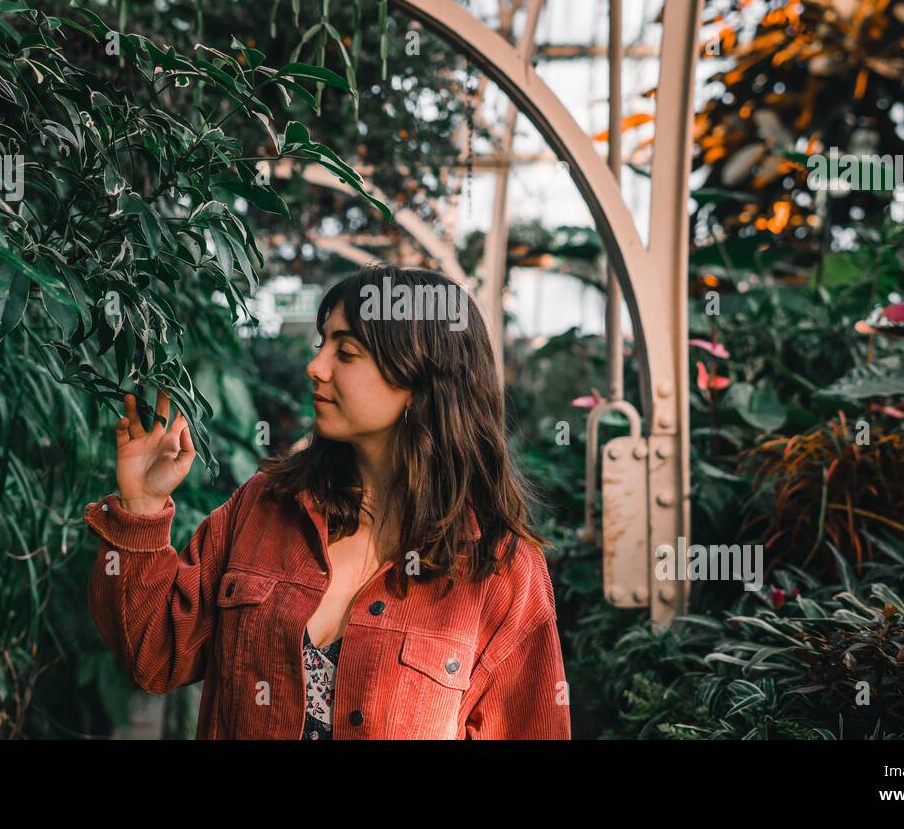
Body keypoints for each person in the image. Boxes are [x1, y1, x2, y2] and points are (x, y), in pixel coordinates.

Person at [84, 265, 571, 739]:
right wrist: (143, 506)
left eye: (347, 351)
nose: (315, 367)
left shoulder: (501, 569)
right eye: (323, 345)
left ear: (420, 376)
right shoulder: (265, 508)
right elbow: (153, 656)